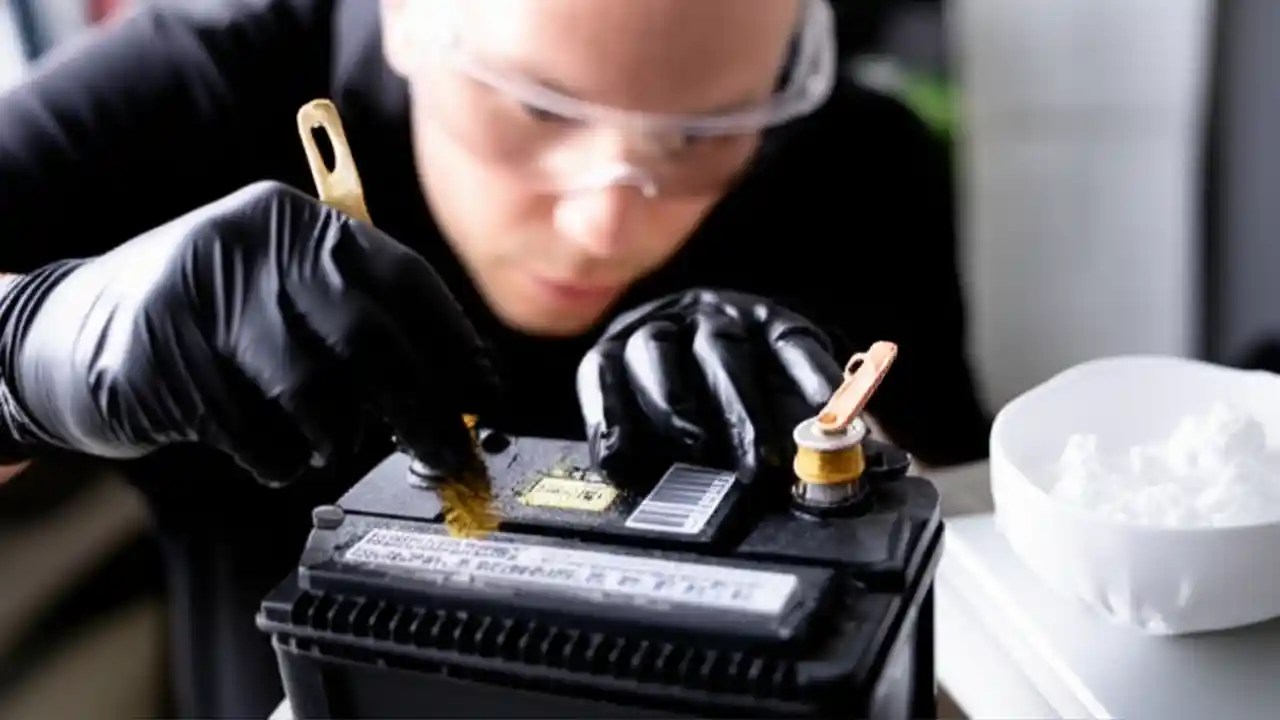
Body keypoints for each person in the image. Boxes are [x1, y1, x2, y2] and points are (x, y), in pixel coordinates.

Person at [0, 0, 992, 715]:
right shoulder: (191, 99)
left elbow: (968, 536)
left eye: (700, 133)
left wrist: (827, 455)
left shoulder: (862, 168)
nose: (606, 224)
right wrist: (36, 346)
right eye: (540, 107)